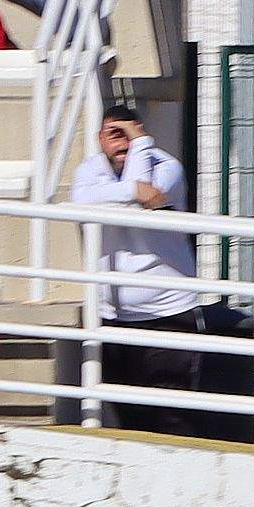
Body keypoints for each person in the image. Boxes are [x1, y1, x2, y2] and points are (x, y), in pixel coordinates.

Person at [67, 105, 201, 435]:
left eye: (126, 132)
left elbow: (144, 198)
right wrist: (130, 190)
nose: (120, 142)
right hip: (113, 316)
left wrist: (140, 147)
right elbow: (81, 201)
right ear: (99, 139)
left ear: (140, 131)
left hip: (169, 313)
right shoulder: (90, 170)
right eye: (112, 134)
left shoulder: (166, 166)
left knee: (171, 416)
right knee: (127, 417)